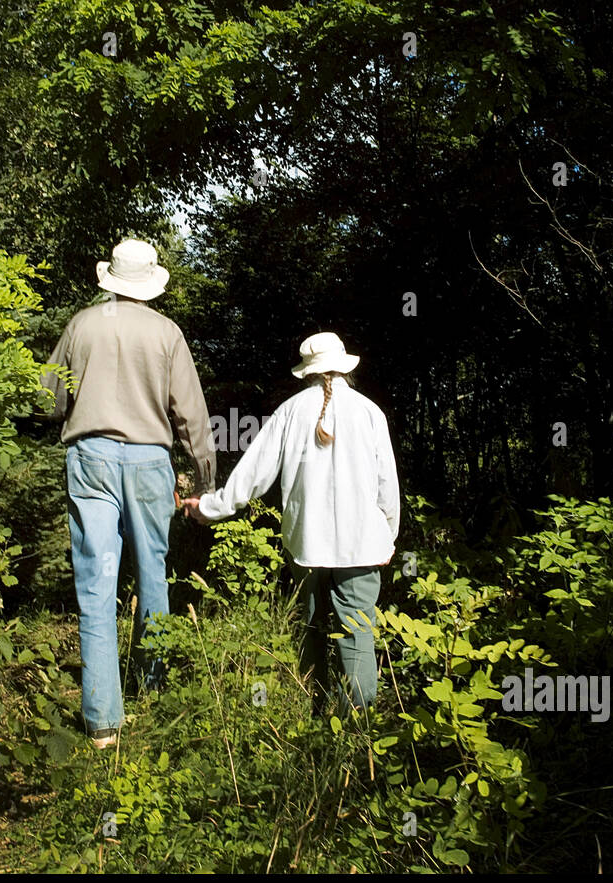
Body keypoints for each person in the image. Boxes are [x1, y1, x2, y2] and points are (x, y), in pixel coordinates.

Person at [41, 239, 216, 749]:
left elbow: (47, 398)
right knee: (153, 576)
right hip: (148, 462)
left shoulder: (80, 325)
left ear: (110, 279)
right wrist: (204, 483)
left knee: (96, 583)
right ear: (150, 283)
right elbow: (193, 417)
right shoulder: (167, 333)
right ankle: (152, 690)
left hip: (90, 456)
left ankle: (102, 723)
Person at [184, 332, 399, 715]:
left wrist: (210, 506)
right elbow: (388, 485)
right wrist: (389, 536)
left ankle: (315, 711)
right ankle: (358, 728)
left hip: (307, 545)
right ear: (343, 366)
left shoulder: (290, 411)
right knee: (357, 632)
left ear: (308, 372)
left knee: (313, 627)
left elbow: (253, 476)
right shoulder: (370, 412)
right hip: (364, 544)